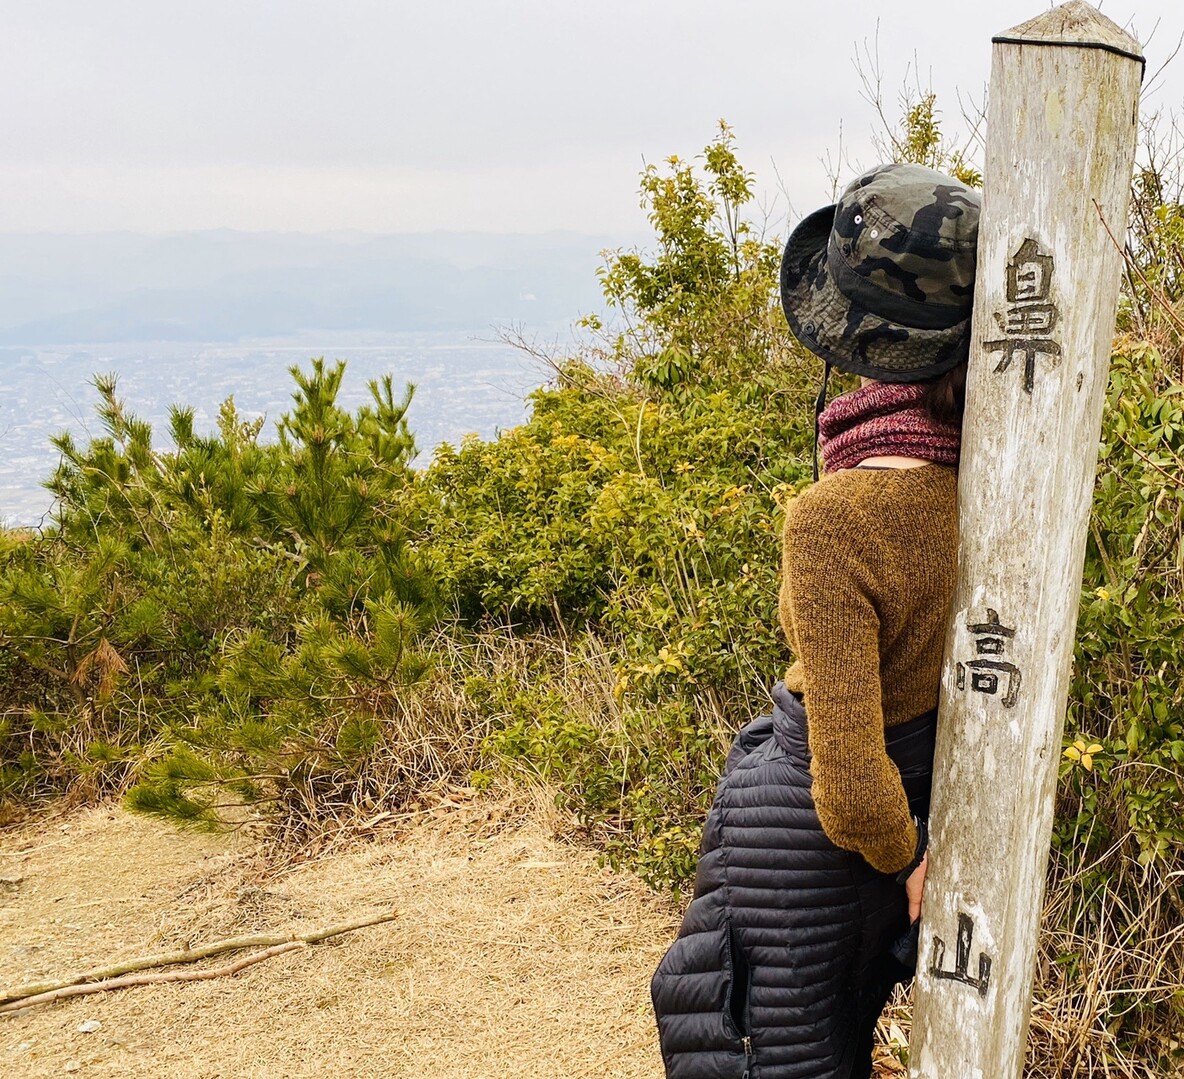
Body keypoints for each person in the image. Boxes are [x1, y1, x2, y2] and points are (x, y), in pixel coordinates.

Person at [650, 162, 980, 1079]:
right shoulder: (986, 492)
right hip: (905, 815)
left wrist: (910, 860)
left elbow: (849, 781)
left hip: (808, 848)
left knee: (759, 1051)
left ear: (858, 345)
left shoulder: (834, 517)